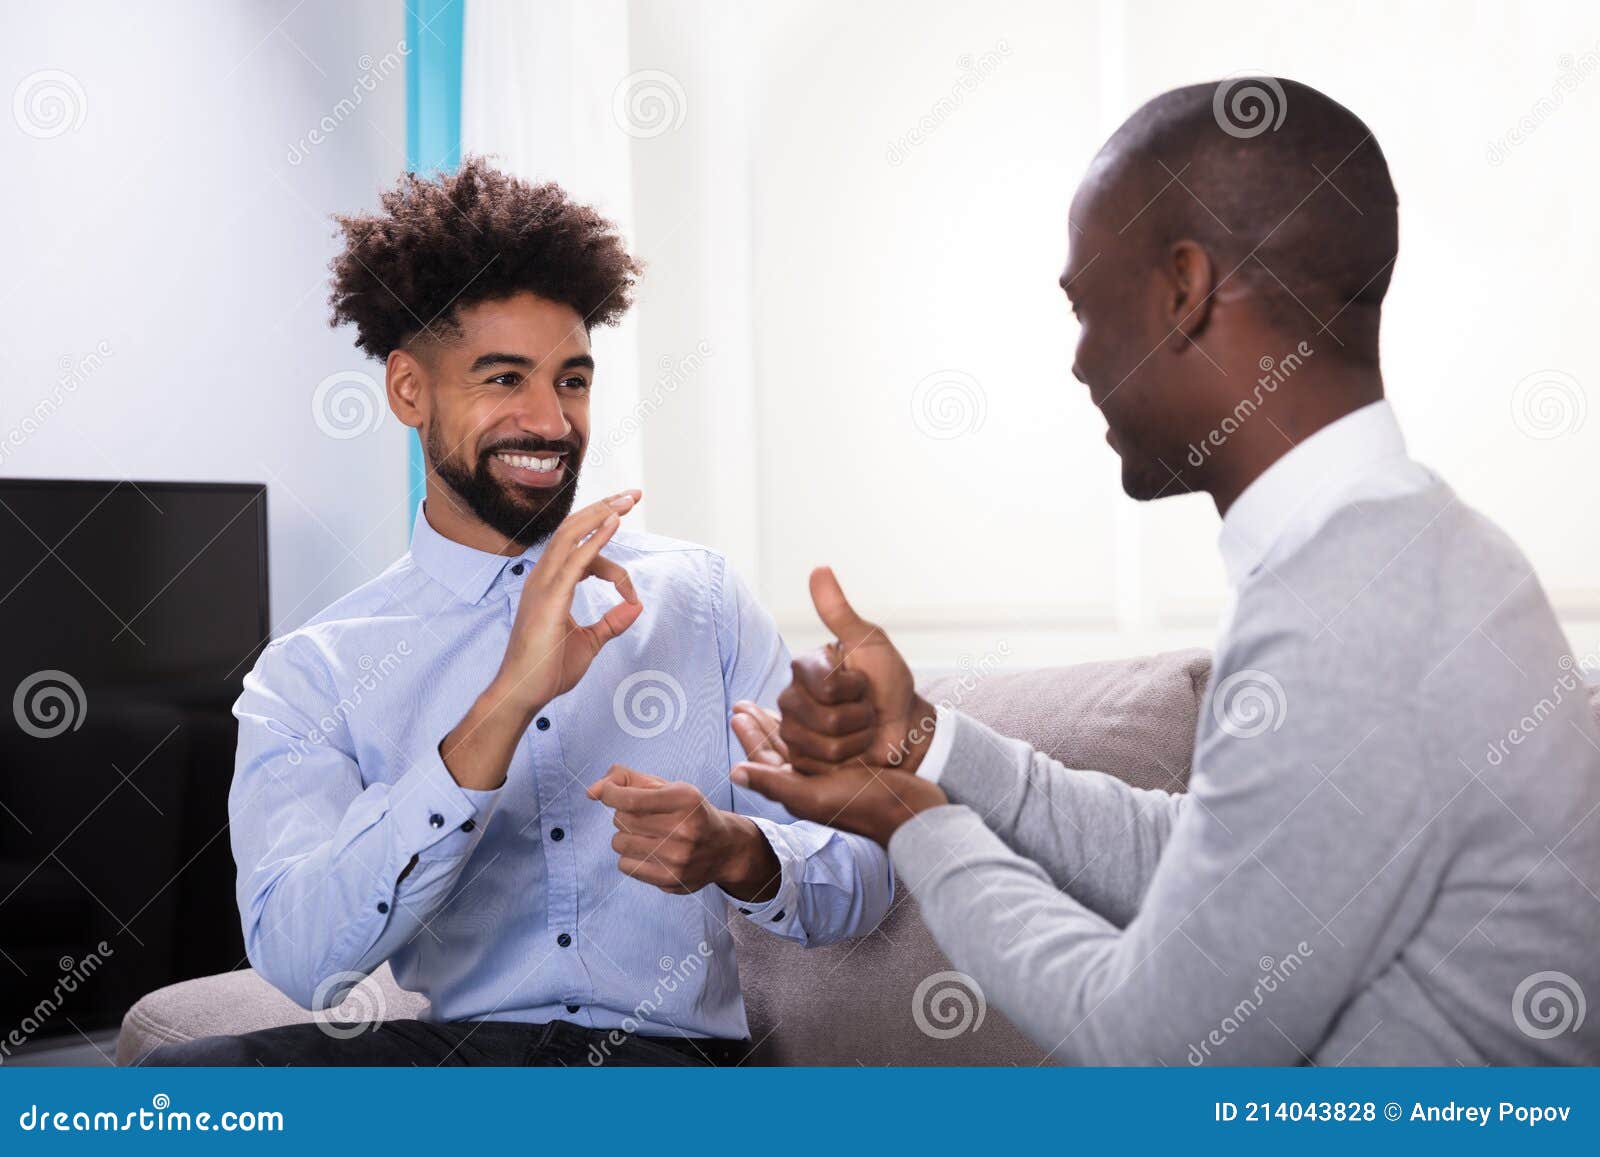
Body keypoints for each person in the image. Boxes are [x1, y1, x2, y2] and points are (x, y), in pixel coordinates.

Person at [733, 79, 1600, 1065]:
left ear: (1183, 289)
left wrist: (913, 825)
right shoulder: (1414, 552)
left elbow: (1153, 1039)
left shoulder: (1350, 608)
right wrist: (925, 739)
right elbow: (1209, 871)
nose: (1078, 362)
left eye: (1085, 306)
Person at [144, 159, 891, 1066]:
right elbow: (303, 957)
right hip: (452, 1059)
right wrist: (505, 701)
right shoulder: (315, 670)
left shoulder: (698, 602)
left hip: (664, 1064)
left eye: (571, 380)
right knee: (181, 1082)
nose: (550, 419)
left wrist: (742, 851)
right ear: (409, 390)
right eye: (504, 379)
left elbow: (863, 874)